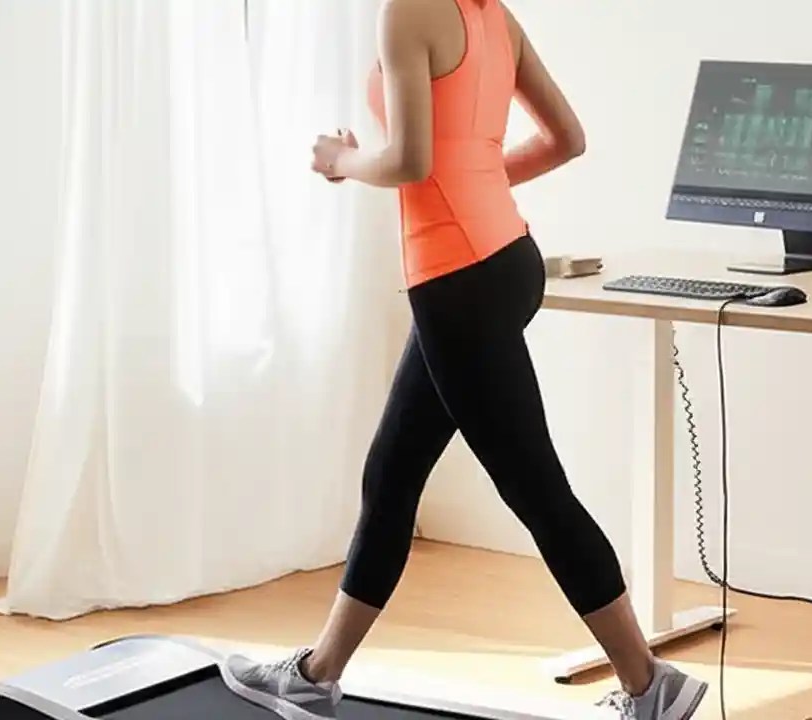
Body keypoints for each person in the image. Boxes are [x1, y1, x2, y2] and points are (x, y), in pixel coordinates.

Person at [220, 0, 708, 718]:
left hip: (455, 281)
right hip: (509, 259)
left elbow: (411, 161)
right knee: (390, 475)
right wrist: (474, 178)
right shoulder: (494, 16)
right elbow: (566, 139)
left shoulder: (407, 11)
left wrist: (339, 160)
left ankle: (647, 684)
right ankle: (317, 674)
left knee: (537, 489)